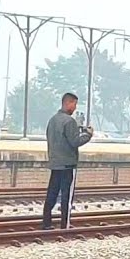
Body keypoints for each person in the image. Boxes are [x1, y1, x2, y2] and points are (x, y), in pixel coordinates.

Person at [43, 92, 93, 230]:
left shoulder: (53, 120)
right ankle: (65, 224)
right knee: (66, 195)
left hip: (55, 163)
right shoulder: (69, 121)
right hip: (67, 164)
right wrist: (88, 135)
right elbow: (75, 141)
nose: (75, 108)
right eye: (74, 104)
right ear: (68, 103)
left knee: (52, 193)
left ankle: (46, 222)